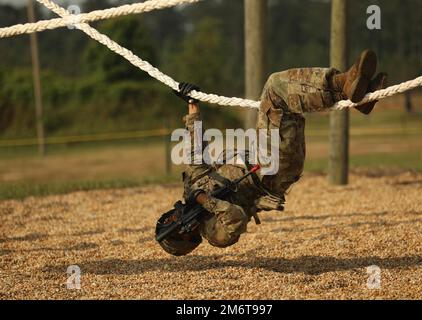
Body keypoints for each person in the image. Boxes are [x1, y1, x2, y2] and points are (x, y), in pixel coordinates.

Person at [157, 49, 387, 256]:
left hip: (265, 155)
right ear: (184, 236)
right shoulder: (215, 235)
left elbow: (195, 154)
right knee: (275, 91)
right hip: (270, 171)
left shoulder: (191, 189)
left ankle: (355, 93)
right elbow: (235, 217)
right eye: (171, 222)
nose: (172, 215)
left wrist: (191, 104)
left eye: (169, 217)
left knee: (288, 103)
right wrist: (206, 201)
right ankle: (344, 84)